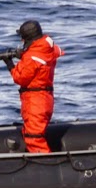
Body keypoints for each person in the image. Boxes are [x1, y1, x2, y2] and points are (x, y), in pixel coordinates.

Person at [7, 19, 62, 153]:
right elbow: (40, 59)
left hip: (35, 102)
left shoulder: (32, 57)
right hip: (45, 99)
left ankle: (47, 168)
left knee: (34, 138)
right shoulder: (47, 49)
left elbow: (20, 78)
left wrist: (9, 63)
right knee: (31, 133)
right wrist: (24, 55)